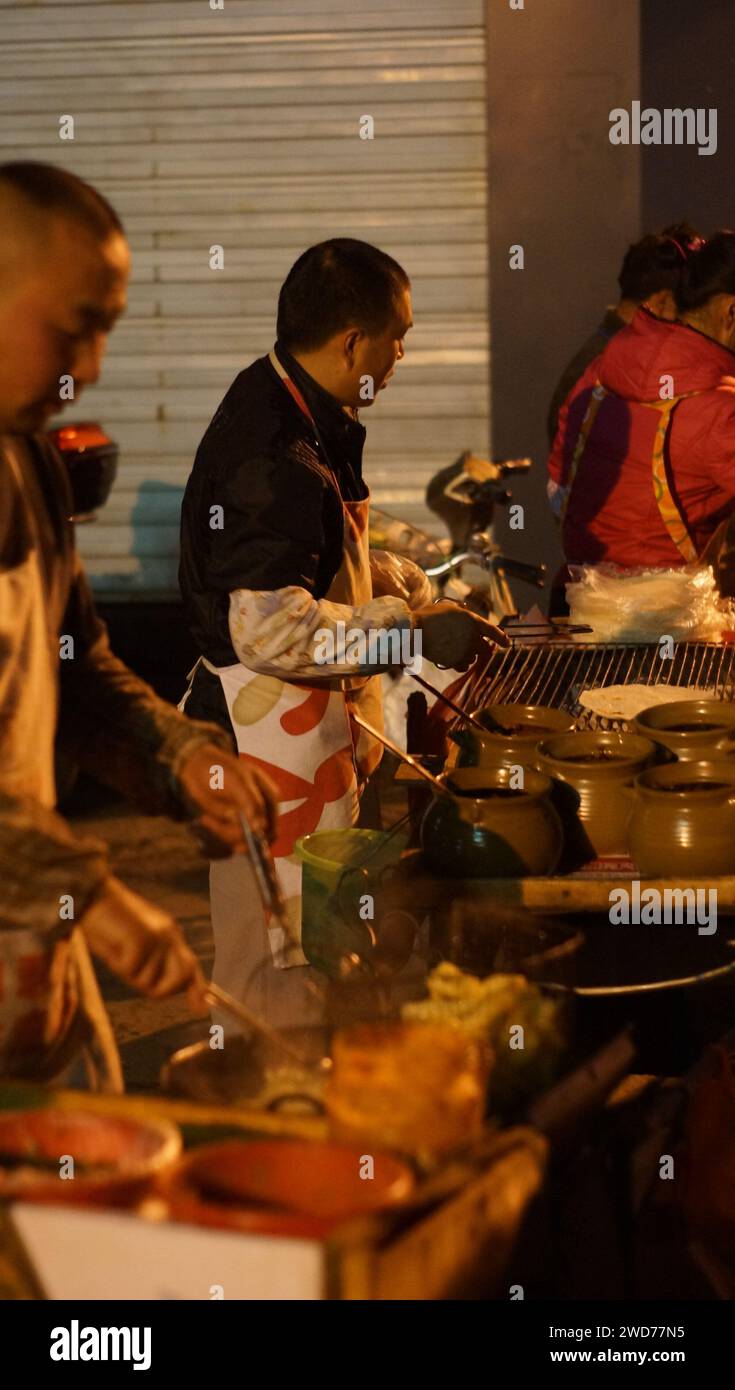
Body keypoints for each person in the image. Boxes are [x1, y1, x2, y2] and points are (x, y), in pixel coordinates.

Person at [180, 238, 507, 1028]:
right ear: (351, 342)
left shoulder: (291, 401)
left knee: (314, 943)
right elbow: (268, 630)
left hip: (303, 739)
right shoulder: (274, 450)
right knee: (276, 959)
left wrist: (389, 573)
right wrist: (412, 634)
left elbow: (305, 558)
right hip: (265, 748)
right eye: (399, 336)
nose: (401, 354)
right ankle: (275, 1118)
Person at [0, 161, 277, 1088]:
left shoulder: (29, 465)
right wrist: (96, 896)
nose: (91, 371)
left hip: (36, 958)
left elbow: (74, 672)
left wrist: (177, 757)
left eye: (107, 332)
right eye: (73, 329)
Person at [547, 230, 735, 594]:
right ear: (731, 311)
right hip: (661, 628)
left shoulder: (603, 367)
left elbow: (558, 483)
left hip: (582, 601)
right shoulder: (717, 409)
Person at [546, 222, 703, 446]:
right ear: (662, 302)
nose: (692, 325)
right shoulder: (603, 376)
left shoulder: (614, 364)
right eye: (690, 309)